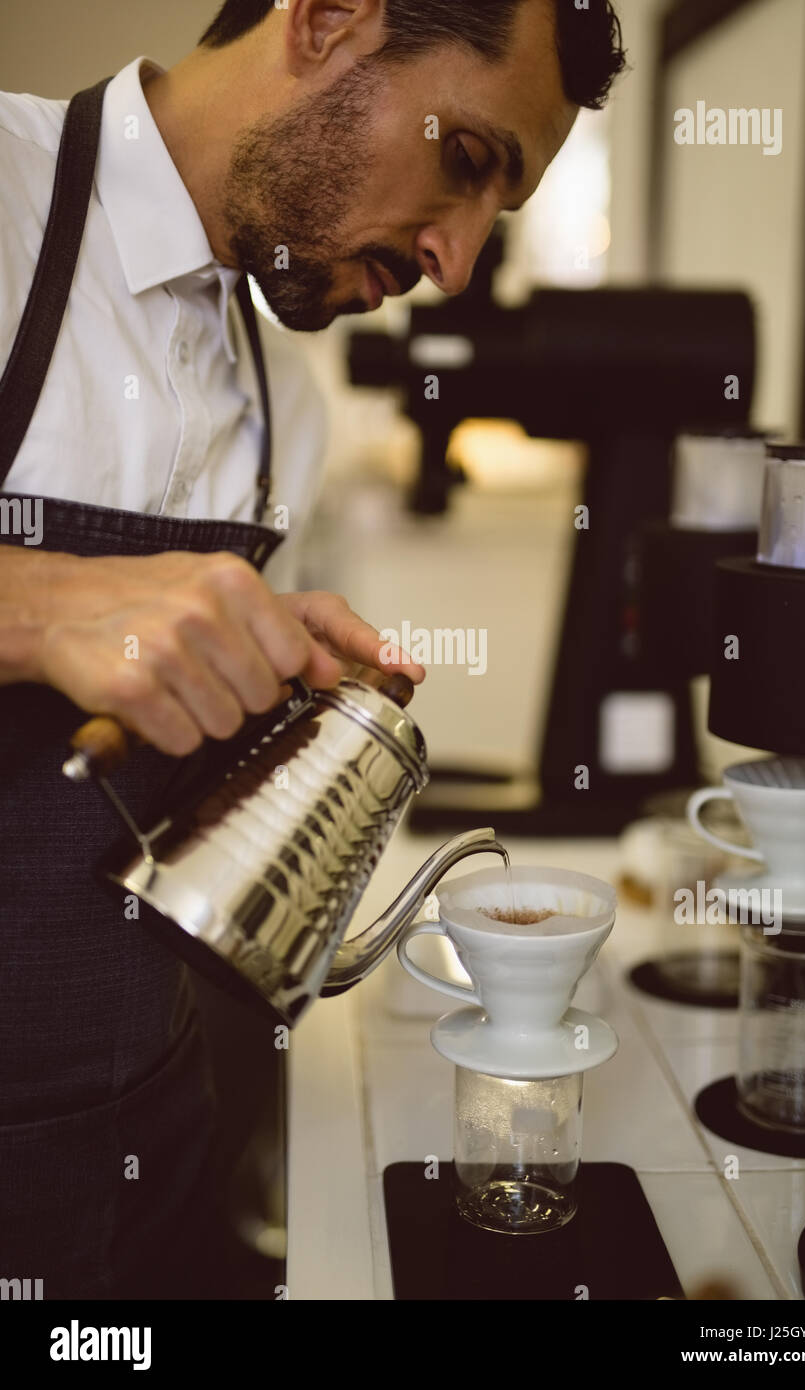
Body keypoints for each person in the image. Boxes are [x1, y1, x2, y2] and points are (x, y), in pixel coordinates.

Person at [0, 0, 625, 1299]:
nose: (456, 264)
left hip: (148, 1135)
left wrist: (272, 676)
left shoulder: (290, 398)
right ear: (331, 20)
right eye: (467, 164)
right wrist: (43, 605)